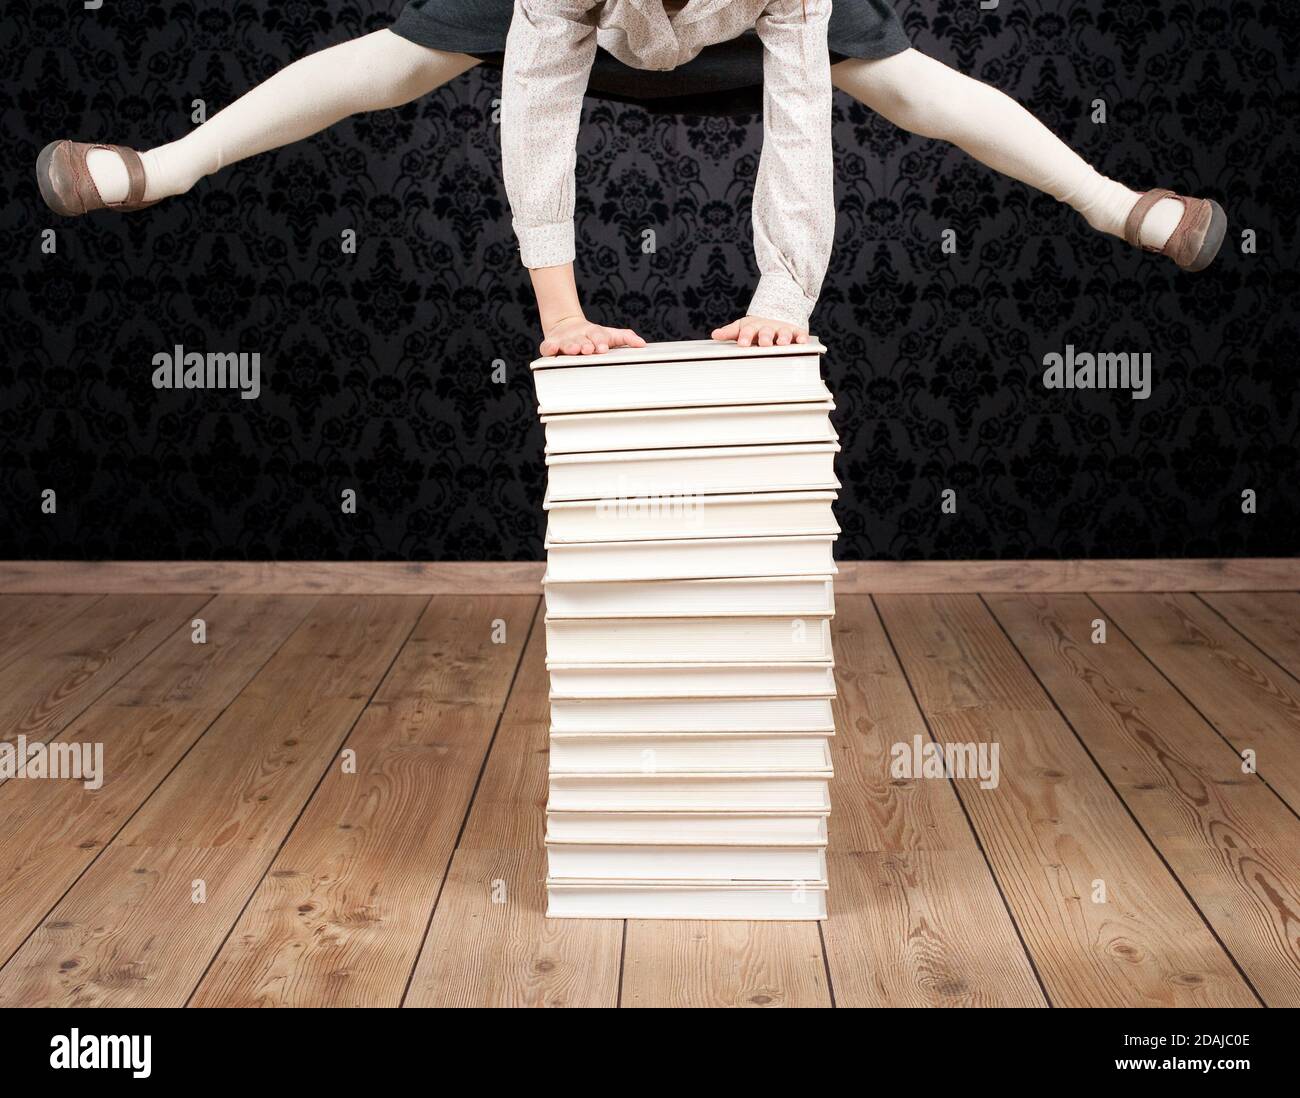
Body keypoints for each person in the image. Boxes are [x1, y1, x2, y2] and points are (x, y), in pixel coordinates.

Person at [36, 1, 1225, 358]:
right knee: (392, 65)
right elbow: (537, 118)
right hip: (582, 42)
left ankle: (1118, 202)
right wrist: (560, 312)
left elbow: (802, 123)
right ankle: (162, 169)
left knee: (909, 87)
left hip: (750, 51)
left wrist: (779, 303)